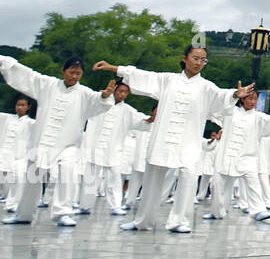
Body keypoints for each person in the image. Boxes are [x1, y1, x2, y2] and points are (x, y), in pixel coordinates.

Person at [93, 48, 255, 233]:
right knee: (153, 176)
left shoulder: (206, 87)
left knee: (187, 176)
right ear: (184, 59)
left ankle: (179, 221)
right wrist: (113, 68)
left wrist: (235, 94)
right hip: (163, 137)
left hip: (188, 141)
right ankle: (143, 221)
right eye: (195, 58)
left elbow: (221, 97)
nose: (199, 62)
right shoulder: (167, 80)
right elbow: (142, 76)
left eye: (203, 60)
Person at [0, 57, 115, 228]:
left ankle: (63, 213)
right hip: (42, 141)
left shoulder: (84, 93)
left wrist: (104, 97)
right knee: (33, 178)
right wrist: (4, 61)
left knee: (68, 172)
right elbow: (26, 75)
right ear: (63, 71)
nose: (74, 76)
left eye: (78, 73)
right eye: (71, 72)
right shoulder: (47, 84)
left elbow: (100, 103)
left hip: (68, 144)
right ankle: (24, 214)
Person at [204, 91, 270, 221]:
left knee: (253, 183)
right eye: (250, 99)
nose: (253, 102)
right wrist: (233, 95)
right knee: (217, 185)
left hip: (247, 157)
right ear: (242, 99)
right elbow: (217, 110)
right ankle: (217, 212)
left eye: (255, 99)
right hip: (226, 156)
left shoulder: (258, 117)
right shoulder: (231, 112)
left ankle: (259, 211)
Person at [79, 81, 151, 216]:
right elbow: (88, 108)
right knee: (91, 178)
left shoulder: (128, 110)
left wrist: (149, 120)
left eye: (125, 92)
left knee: (114, 179)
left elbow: (141, 121)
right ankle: (84, 205)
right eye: (120, 91)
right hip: (95, 146)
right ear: (114, 90)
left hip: (114, 149)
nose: (122, 94)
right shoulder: (102, 102)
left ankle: (115, 205)